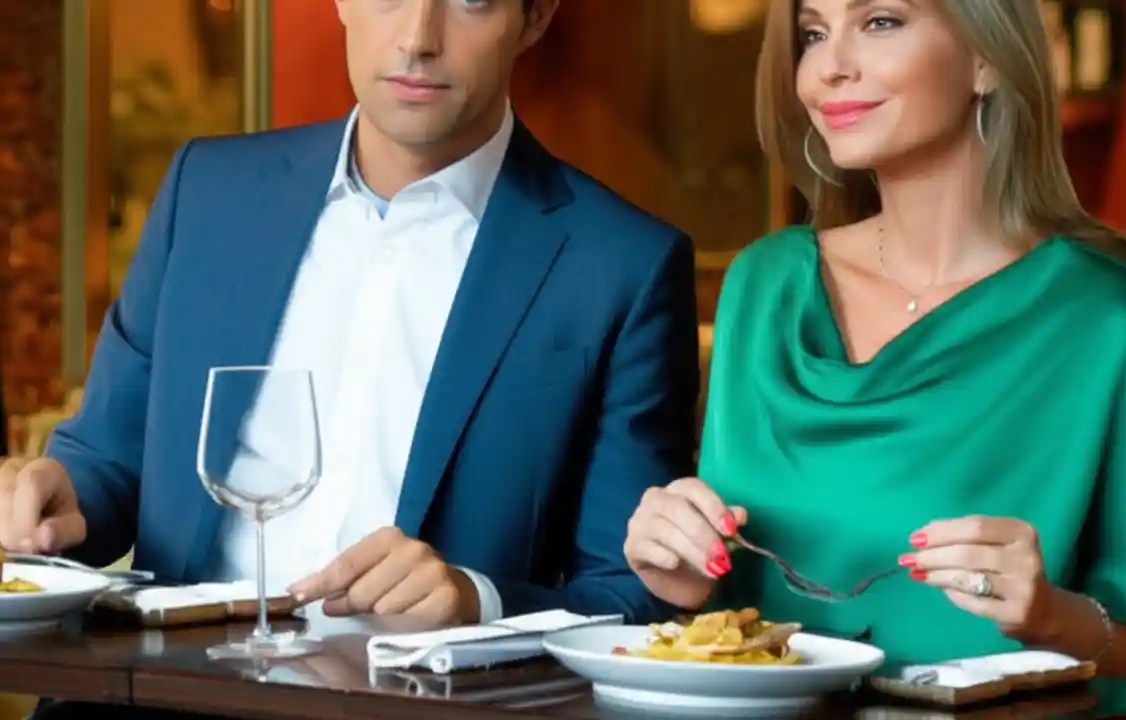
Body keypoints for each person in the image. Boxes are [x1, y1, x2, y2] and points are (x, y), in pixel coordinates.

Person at [0, 0, 699, 629]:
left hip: (415, 707)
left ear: (536, 17)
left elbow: (631, 596)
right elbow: (104, 464)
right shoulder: (207, 193)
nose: (418, 38)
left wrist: (475, 600)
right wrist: (57, 502)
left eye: (471, 2)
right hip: (163, 694)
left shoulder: (621, 267)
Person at [624, 0, 1126, 677]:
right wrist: (682, 575)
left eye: (880, 22)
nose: (829, 69)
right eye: (814, 34)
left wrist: (1049, 613)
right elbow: (727, 613)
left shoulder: (1119, 324)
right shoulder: (765, 286)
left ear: (988, 57)